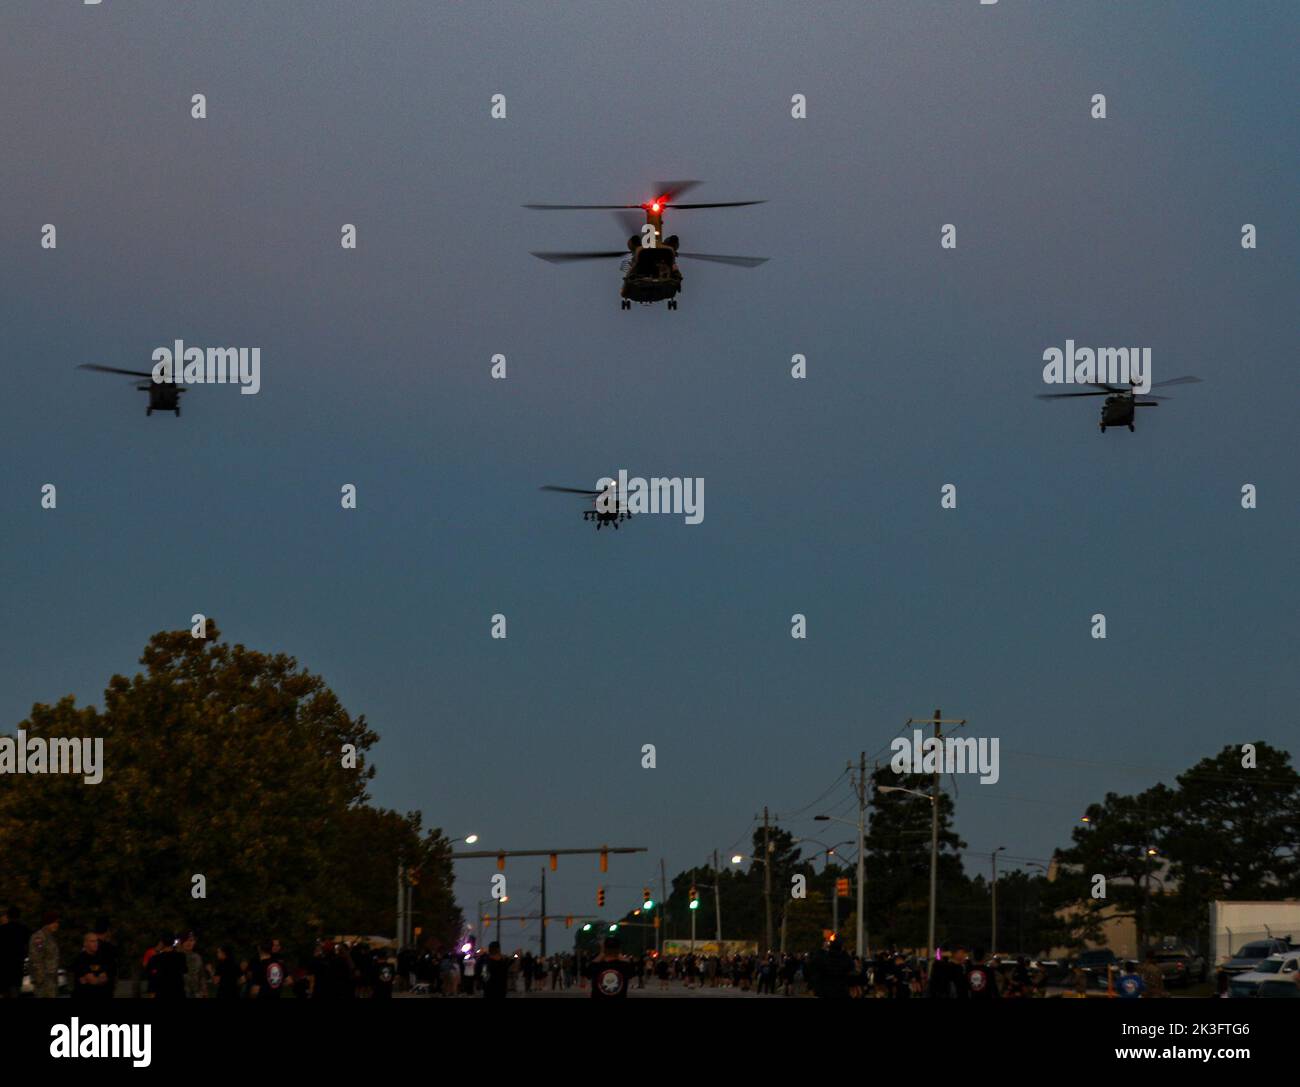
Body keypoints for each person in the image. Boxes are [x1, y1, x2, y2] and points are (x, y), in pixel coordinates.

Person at [808, 933, 853, 998]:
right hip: (841, 990)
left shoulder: (824, 958)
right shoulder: (844, 958)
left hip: (826, 990)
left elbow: (815, 966)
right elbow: (851, 967)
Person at [28, 913, 61, 998]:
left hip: (51, 980)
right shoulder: (39, 937)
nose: (57, 925)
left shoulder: (50, 937)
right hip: (44, 981)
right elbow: (36, 959)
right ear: (47, 923)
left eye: (57, 923)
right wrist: (40, 980)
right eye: (54, 922)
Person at [0, 907, 31, 998]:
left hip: (4, 969)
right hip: (17, 967)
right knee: (15, 991)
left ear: (8, 916)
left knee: (5, 993)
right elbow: (27, 946)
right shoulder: (24, 929)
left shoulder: (2, 929)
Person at [71, 932, 112, 1000]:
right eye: (92, 941)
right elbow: (92, 980)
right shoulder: (81, 959)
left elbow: (105, 978)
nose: (96, 944)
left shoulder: (100, 958)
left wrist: (94, 979)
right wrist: (98, 978)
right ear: (85, 943)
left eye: (96, 941)